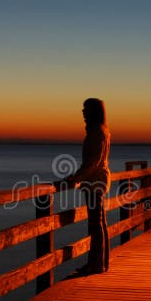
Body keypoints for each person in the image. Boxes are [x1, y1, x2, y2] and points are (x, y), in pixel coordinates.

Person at [63, 98, 111, 274]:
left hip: (94, 182)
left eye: (86, 109)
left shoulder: (97, 132)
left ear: (94, 111)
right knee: (100, 223)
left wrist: (76, 177)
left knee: (96, 224)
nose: (83, 112)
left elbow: (92, 162)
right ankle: (102, 262)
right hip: (98, 180)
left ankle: (96, 264)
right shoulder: (103, 130)